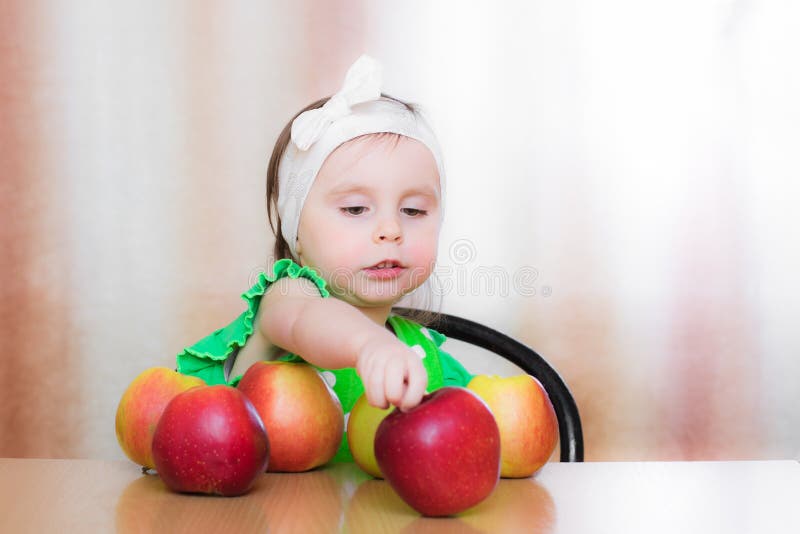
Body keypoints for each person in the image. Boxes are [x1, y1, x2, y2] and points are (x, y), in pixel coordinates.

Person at [175, 55, 472, 462]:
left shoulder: (424, 358)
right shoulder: (288, 297)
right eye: (354, 209)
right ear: (296, 231)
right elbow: (306, 323)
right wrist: (369, 345)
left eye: (414, 211)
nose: (391, 230)